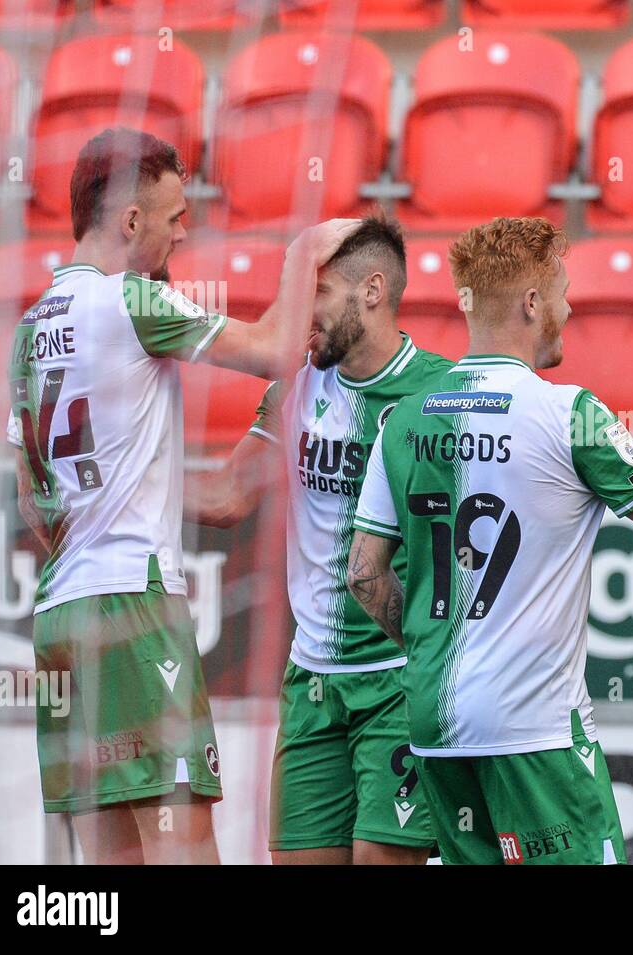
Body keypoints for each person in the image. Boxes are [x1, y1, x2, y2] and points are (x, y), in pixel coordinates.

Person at [6, 126, 355, 863]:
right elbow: (272, 347)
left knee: (107, 863)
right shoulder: (129, 300)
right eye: (173, 217)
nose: (183, 232)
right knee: (185, 848)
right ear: (130, 221)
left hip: (60, 617)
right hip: (133, 605)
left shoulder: (29, 329)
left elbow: (34, 504)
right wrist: (301, 256)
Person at [345, 216, 633, 864]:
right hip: (534, 726)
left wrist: (441, 646)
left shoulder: (402, 418)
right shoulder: (568, 412)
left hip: (437, 723)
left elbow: (364, 575)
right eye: (563, 293)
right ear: (532, 303)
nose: (570, 309)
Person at [186, 213, 450, 864]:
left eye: (318, 296)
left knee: (380, 858)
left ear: (372, 291)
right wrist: (115, 486)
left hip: (399, 676)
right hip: (312, 680)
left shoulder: (442, 392)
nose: (301, 318)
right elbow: (225, 497)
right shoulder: (297, 385)